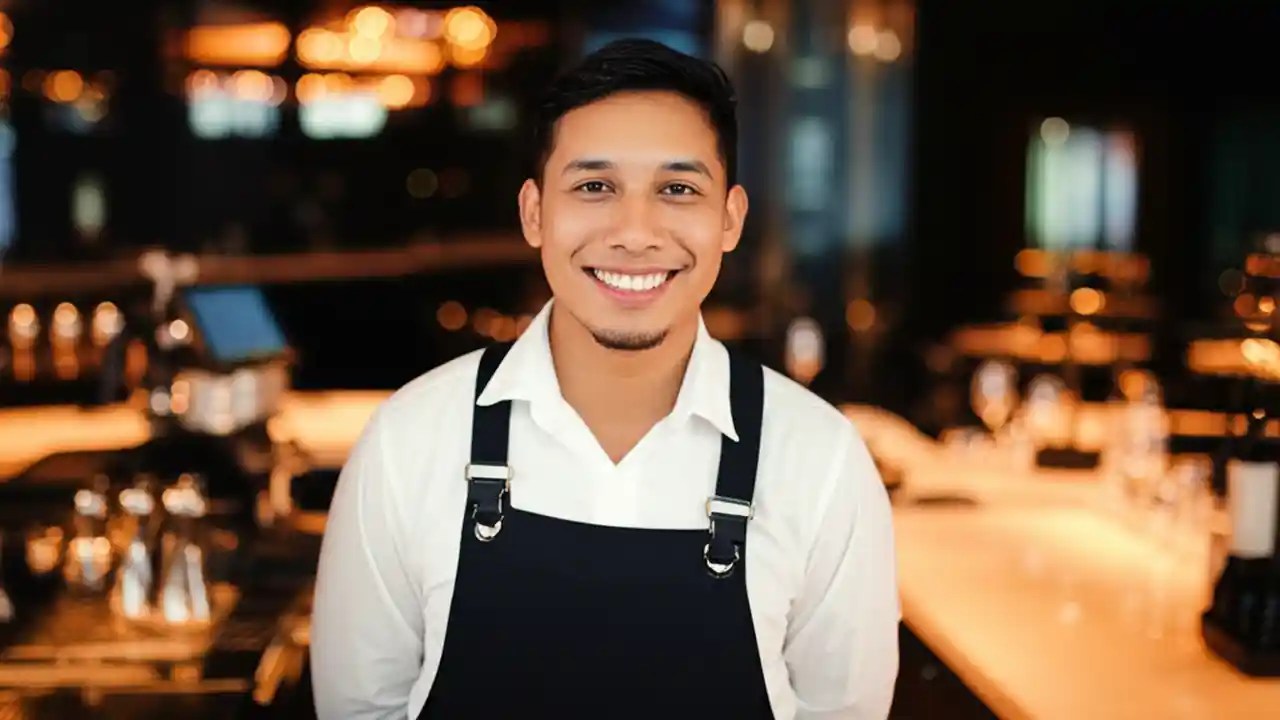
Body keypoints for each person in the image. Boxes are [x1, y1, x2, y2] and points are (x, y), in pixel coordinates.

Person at [311, 38, 899, 719]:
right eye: (595, 187)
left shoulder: (820, 462)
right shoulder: (408, 441)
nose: (635, 233)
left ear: (730, 219)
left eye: (677, 190)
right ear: (534, 213)